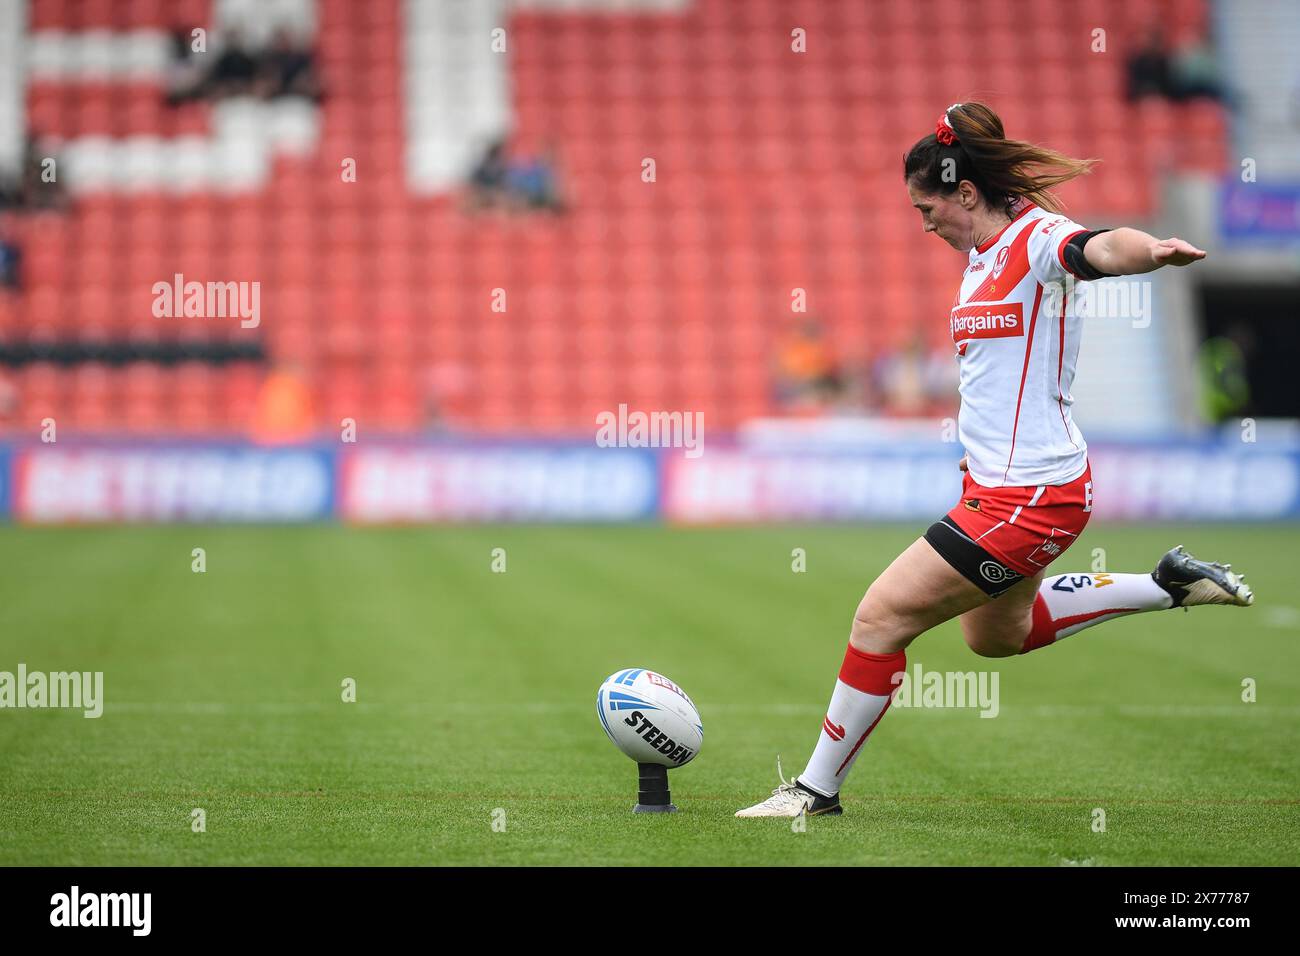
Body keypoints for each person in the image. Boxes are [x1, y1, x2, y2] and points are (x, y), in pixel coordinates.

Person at [735, 101, 1255, 818]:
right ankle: (1167, 584)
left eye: (928, 206)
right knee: (994, 637)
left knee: (878, 619)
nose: (924, 221)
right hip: (1003, 488)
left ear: (965, 193)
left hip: (1031, 495)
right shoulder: (980, 265)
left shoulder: (1035, 239)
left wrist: (1151, 253)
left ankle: (814, 790)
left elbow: (1098, 249)